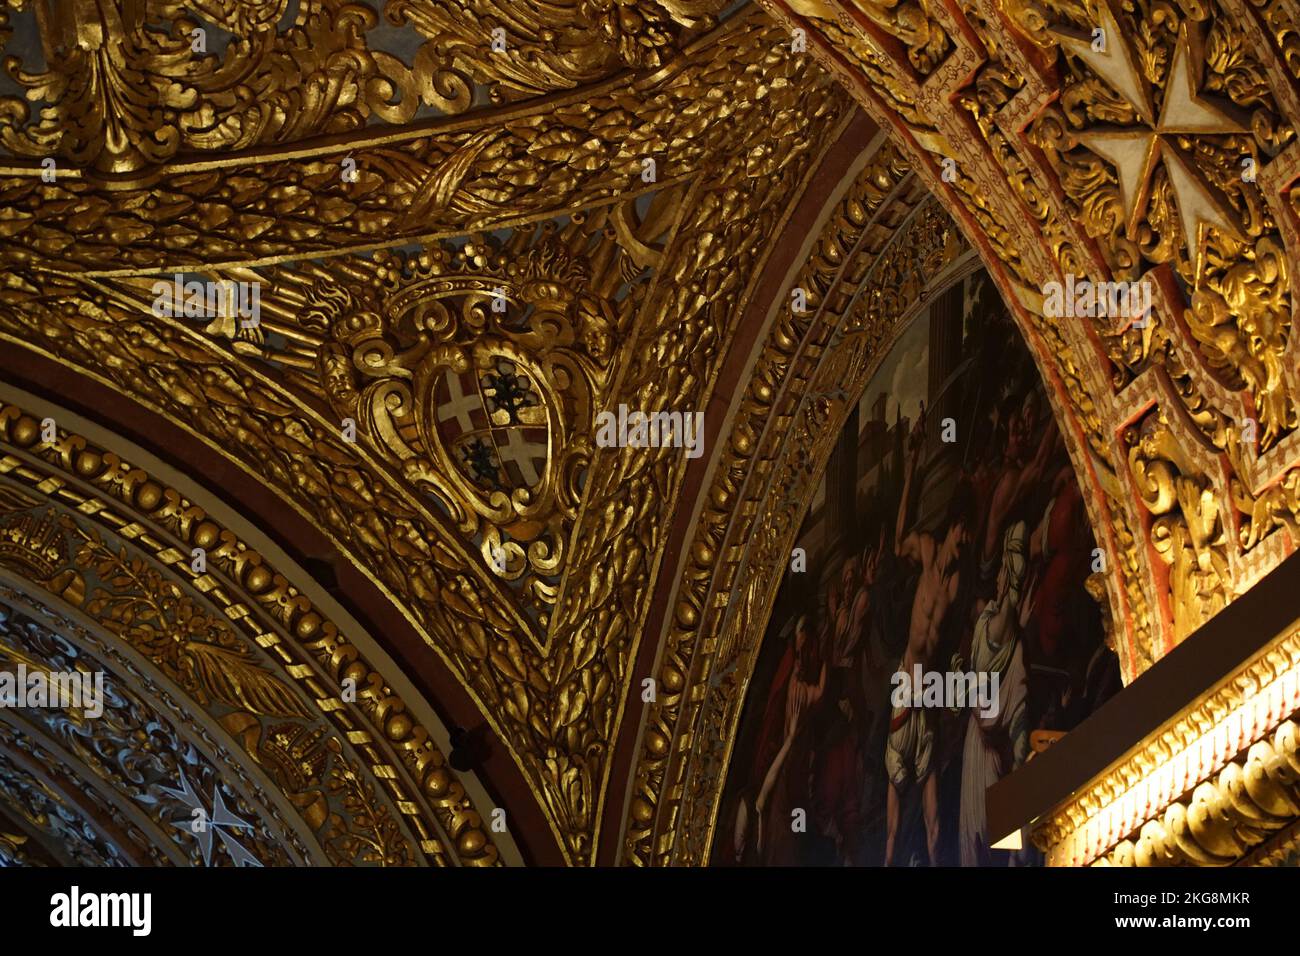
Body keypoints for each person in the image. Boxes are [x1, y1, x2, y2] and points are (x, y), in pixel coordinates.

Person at [884, 412, 974, 866]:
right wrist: (914, 458)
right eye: (965, 530)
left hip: (931, 698)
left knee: (935, 822)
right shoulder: (924, 549)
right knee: (893, 824)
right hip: (905, 687)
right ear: (953, 524)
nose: (968, 541)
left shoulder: (959, 586)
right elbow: (899, 534)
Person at [957, 521, 1030, 866]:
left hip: (984, 744)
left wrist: (961, 676)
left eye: (1004, 571)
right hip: (980, 740)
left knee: (983, 830)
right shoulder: (992, 619)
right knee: (977, 830)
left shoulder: (999, 626)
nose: (998, 577)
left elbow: (979, 696)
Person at [733, 614, 826, 864]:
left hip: (786, 766)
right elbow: (761, 802)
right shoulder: (799, 688)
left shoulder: (794, 683)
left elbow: (761, 802)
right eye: (799, 655)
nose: (801, 661)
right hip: (786, 765)